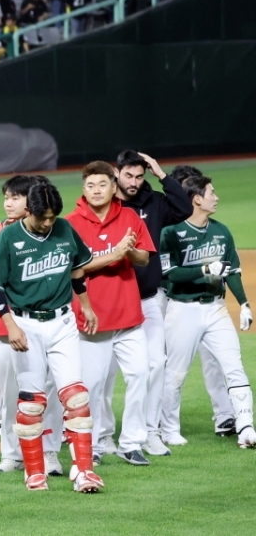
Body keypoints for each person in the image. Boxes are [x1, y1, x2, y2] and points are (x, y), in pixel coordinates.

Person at [0, 182, 104, 493]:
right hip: (26, 324)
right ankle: (35, 473)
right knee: (32, 403)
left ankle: (84, 471)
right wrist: (10, 324)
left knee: (77, 398)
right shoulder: (8, 237)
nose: (48, 222)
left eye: (52, 217)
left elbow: (77, 270)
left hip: (62, 322)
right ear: (28, 210)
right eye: (42, 217)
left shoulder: (64, 229)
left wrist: (85, 306)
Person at [112, 150, 218, 456]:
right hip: (114, 299)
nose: (133, 182)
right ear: (116, 173)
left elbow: (185, 208)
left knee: (156, 363)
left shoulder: (154, 203)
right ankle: (101, 436)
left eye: (139, 176)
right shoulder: (109, 205)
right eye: (128, 175)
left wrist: (160, 173)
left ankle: (152, 431)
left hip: (149, 297)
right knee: (105, 374)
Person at [66, 161, 155, 466]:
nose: (96, 190)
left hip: (129, 318)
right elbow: (72, 268)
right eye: (90, 185)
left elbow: (143, 258)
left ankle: (131, 442)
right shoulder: (71, 223)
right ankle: (89, 444)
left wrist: (127, 250)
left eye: (102, 184)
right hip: (93, 320)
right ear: (83, 189)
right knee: (91, 386)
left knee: (141, 375)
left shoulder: (129, 216)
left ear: (113, 187)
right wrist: (112, 255)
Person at [158, 175, 255, 448]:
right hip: (182, 309)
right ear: (197, 199)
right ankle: (169, 429)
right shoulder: (172, 233)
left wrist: (244, 303)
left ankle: (246, 426)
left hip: (216, 308)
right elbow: (169, 273)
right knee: (175, 373)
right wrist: (203, 269)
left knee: (234, 366)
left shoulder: (221, 231)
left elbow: (232, 270)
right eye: (212, 193)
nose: (217, 197)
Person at [0, 175, 64, 475]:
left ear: (31, 203)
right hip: (7, 329)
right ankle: (12, 453)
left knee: (51, 391)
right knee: (12, 393)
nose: (8, 202)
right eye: (6, 196)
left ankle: (50, 452)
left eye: (16, 197)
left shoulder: (51, 232)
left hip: (47, 321)